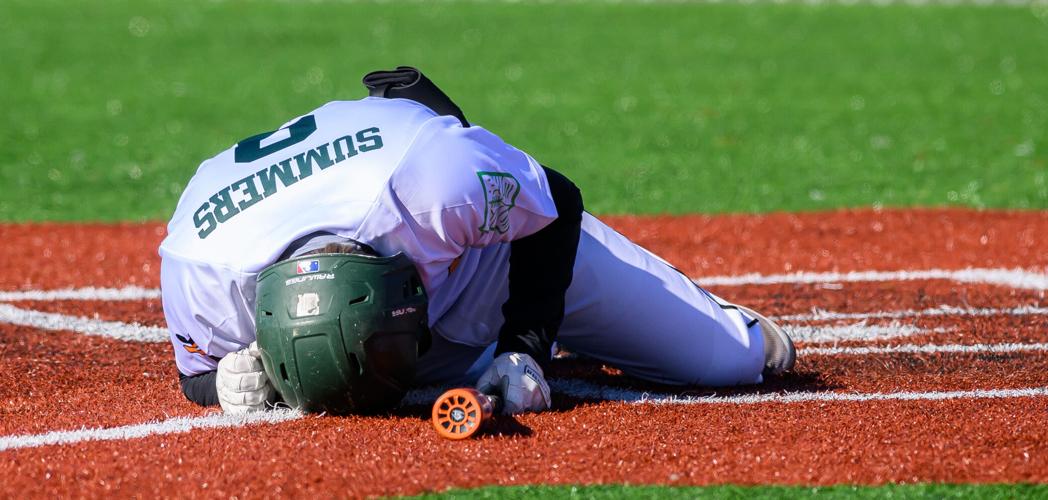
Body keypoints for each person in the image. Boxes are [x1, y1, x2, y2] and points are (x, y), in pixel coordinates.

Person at [160, 67, 795, 416]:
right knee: (356, 389)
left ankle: (750, 332)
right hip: (410, 247)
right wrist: (221, 384)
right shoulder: (201, 265)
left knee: (728, 365)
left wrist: (526, 349)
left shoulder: (436, 185)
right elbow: (195, 373)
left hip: (490, 258)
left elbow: (556, 201)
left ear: (403, 282)